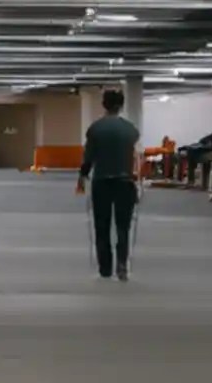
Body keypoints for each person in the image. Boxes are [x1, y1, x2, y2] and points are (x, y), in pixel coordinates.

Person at [76, 89, 140, 281]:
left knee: (101, 225)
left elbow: (89, 157)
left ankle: (105, 268)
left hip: (102, 182)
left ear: (104, 104)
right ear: (121, 105)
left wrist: (82, 176)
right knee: (123, 226)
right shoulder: (131, 129)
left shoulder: (95, 128)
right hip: (125, 182)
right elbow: (134, 155)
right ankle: (122, 265)